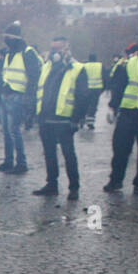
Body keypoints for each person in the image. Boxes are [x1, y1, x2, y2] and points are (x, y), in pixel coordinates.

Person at [31, 37, 86, 199]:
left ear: (67, 49)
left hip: (64, 119)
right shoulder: (47, 66)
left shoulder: (76, 68)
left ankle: (74, 186)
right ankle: (52, 184)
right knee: (49, 153)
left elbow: (82, 96)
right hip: (46, 117)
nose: (55, 52)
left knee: (68, 153)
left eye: (58, 49)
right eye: (52, 49)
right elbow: (40, 89)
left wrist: (76, 119)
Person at [103, 29, 138, 194]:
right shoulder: (128, 63)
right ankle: (115, 180)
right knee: (120, 149)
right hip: (128, 112)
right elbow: (119, 87)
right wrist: (114, 106)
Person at [0, 21, 39, 174]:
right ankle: (8, 161)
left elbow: (34, 77)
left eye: (6, 36)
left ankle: (21, 163)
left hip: (18, 96)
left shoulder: (28, 53)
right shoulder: (9, 53)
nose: (4, 39)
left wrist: (29, 98)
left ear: (14, 37)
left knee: (14, 130)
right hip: (6, 95)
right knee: (6, 130)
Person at [81, 53, 104, 130]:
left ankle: (82, 120)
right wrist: (103, 88)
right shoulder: (100, 66)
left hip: (86, 89)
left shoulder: (84, 66)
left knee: (85, 104)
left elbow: (81, 78)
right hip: (97, 89)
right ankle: (90, 123)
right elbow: (105, 77)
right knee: (93, 106)